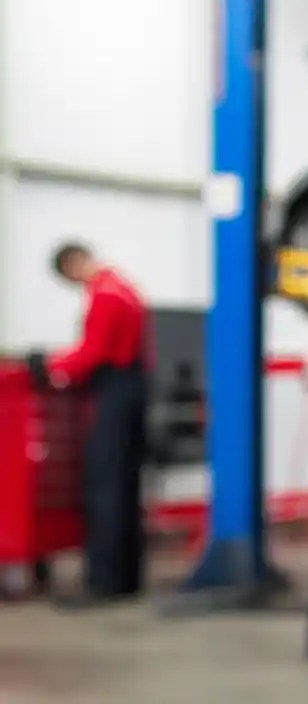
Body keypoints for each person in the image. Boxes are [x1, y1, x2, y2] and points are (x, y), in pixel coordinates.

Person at [44, 242, 151, 606]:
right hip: (133, 390)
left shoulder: (105, 294)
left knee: (104, 487)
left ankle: (103, 583)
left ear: (73, 265)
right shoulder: (125, 287)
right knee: (124, 486)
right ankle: (126, 579)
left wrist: (50, 365)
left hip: (114, 393)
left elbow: (94, 351)